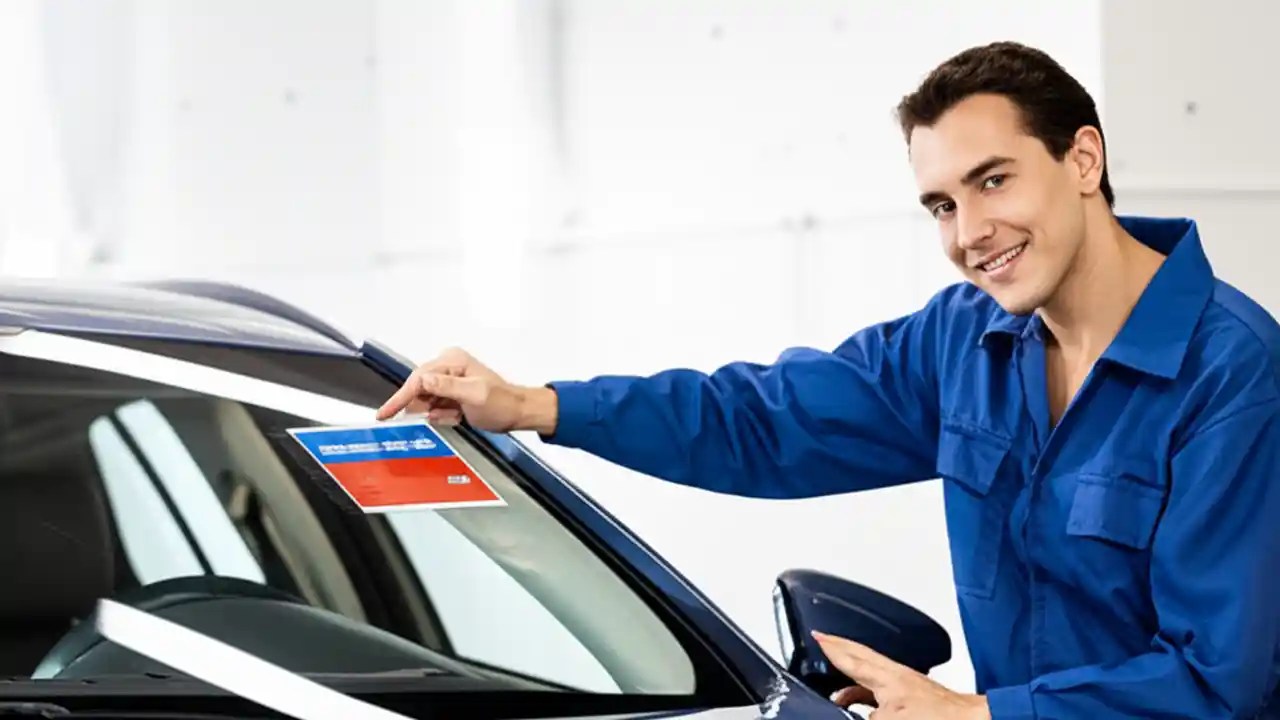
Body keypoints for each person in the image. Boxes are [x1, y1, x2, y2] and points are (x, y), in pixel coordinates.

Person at [376, 41, 1280, 719]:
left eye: (993, 180)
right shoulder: (964, 343)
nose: (969, 234)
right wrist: (537, 406)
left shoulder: (1232, 374)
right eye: (942, 205)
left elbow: (1221, 678)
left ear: (1083, 160)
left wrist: (978, 714)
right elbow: (763, 420)